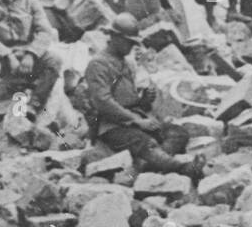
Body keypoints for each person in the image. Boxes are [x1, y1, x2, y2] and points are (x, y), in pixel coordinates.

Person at [80, 13, 204, 179]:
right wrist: (137, 120)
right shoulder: (98, 64)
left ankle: (150, 165)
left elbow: (127, 99)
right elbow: (103, 102)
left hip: (134, 118)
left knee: (177, 133)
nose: (131, 47)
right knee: (145, 143)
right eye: (128, 42)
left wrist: (143, 100)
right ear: (114, 37)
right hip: (111, 126)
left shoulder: (126, 62)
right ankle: (182, 168)